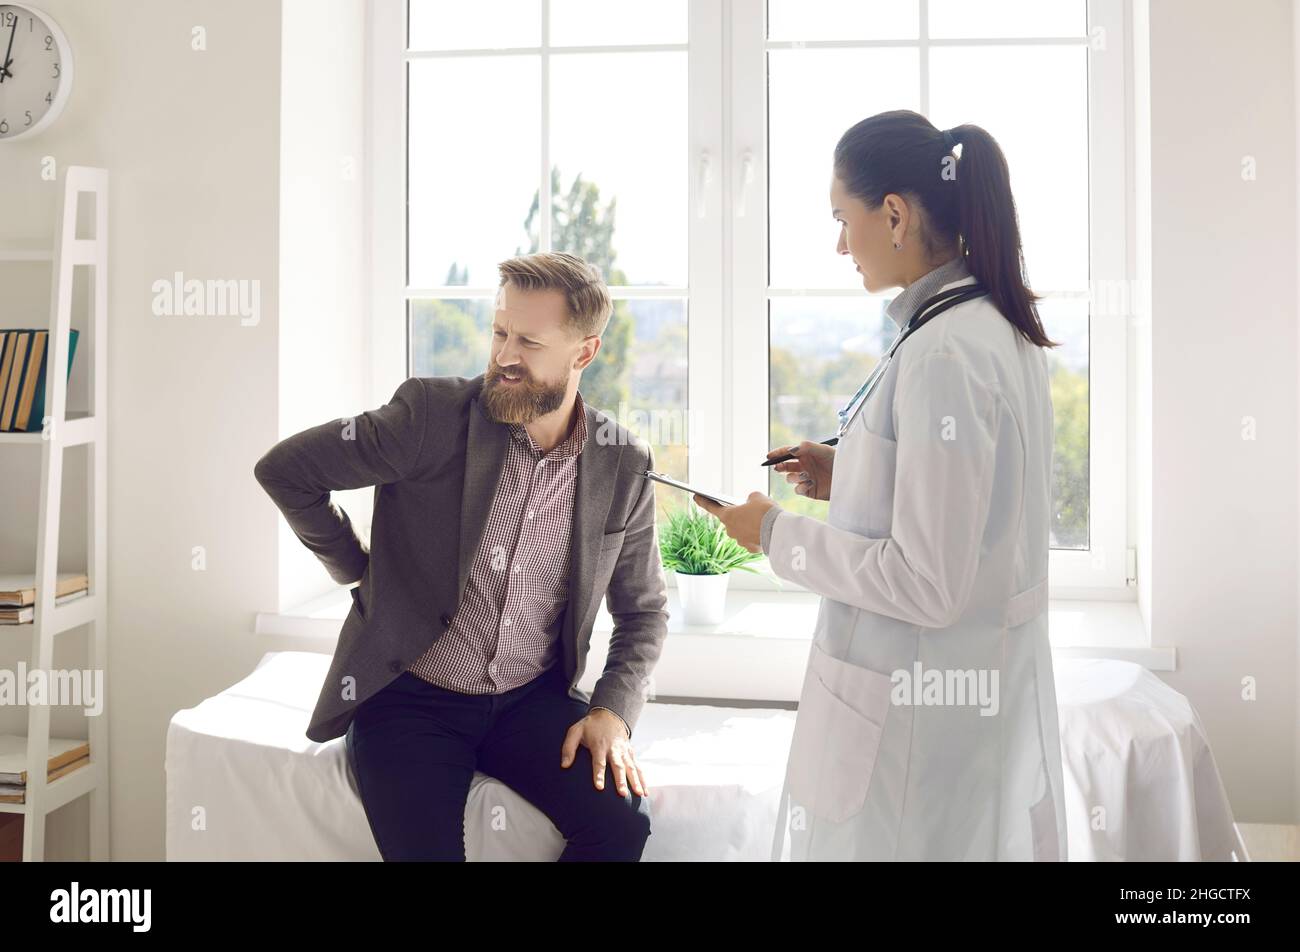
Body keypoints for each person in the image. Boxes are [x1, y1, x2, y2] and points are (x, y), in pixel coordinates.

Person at [694, 110, 1066, 861]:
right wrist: (854, 470)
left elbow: (927, 583)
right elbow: (980, 507)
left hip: (915, 725)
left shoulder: (944, 354)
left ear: (893, 214)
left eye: (843, 218)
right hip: (963, 703)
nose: (840, 244)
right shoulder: (990, 329)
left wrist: (772, 534)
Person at [254, 251, 668, 861]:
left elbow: (643, 611)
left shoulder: (622, 461)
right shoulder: (428, 417)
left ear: (584, 353)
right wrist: (359, 571)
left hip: (529, 701)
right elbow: (287, 470)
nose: (504, 355)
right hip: (408, 699)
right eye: (500, 332)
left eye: (529, 340)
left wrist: (612, 710)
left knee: (620, 827)